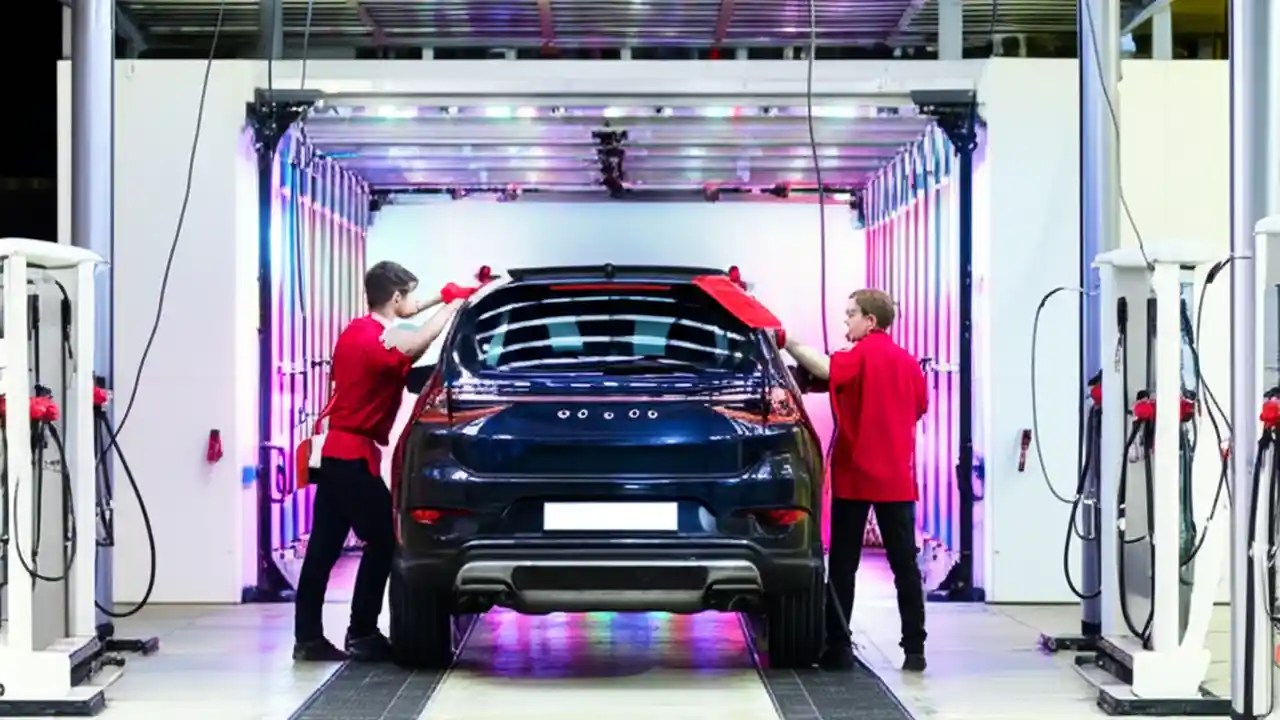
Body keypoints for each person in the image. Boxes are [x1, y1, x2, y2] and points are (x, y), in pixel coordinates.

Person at [293, 261, 478, 662]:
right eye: (409, 295)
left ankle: (308, 638)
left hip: (340, 456)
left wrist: (441, 296)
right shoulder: (373, 338)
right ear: (395, 297)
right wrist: (454, 307)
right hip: (350, 458)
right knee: (387, 541)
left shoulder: (360, 330)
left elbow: (408, 323)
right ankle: (361, 631)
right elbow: (414, 343)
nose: (413, 303)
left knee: (323, 550)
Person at [783, 288, 929, 673]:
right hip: (897, 480)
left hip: (854, 478)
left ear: (871, 321)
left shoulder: (860, 354)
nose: (845, 321)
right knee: (905, 566)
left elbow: (828, 369)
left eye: (851, 314)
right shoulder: (909, 363)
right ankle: (915, 650)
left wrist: (787, 341)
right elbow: (918, 408)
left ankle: (839, 647)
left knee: (844, 566)